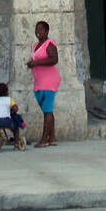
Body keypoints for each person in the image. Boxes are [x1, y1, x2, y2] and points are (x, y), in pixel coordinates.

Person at [27, 19, 61, 147]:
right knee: (47, 110)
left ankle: (44, 139)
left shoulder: (50, 44)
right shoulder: (35, 45)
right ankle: (52, 138)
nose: (38, 31)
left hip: (49, 80)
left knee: (47, 110)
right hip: (39, 81)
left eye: (41, 29)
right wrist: (31, 64)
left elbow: (54, 59)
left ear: (47, 31)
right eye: (37, 29)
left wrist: (36, 63)